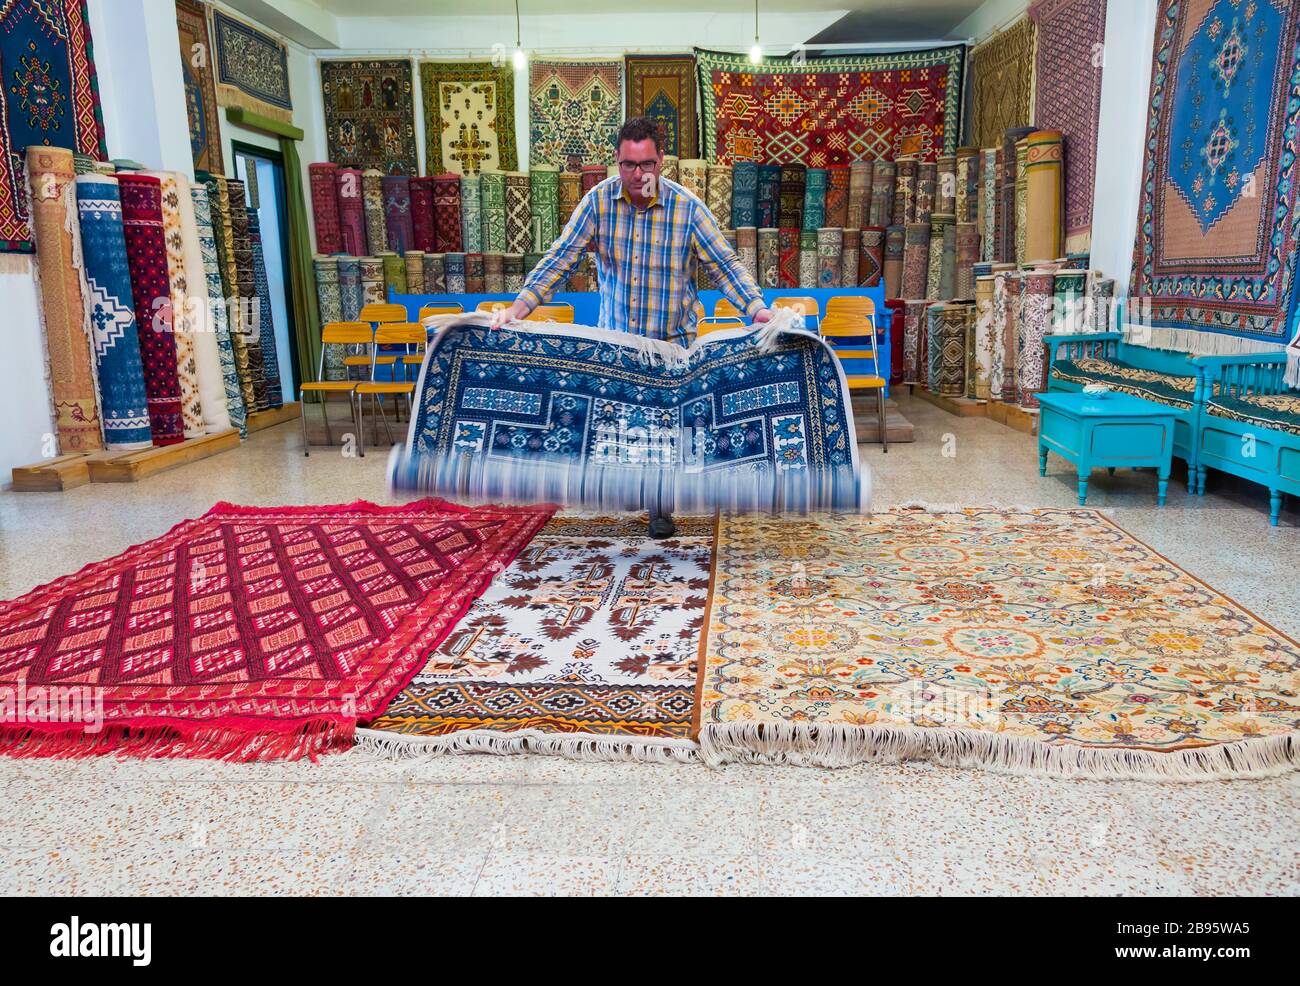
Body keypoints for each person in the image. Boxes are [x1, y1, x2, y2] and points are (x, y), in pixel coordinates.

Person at [491, 116, 772, 538]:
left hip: (671, 343)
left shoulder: (688, 208)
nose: (637, 175)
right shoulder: (598, 203)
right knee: (620, 424)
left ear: (661, 161)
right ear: (616, 162)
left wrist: (756, 309)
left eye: (646, 164)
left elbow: (724, 266)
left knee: (665, 431)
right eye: (627, 165)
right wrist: (518, 309)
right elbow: (560, 259)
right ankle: (627, 488)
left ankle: (660, 505)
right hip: (618, 340)